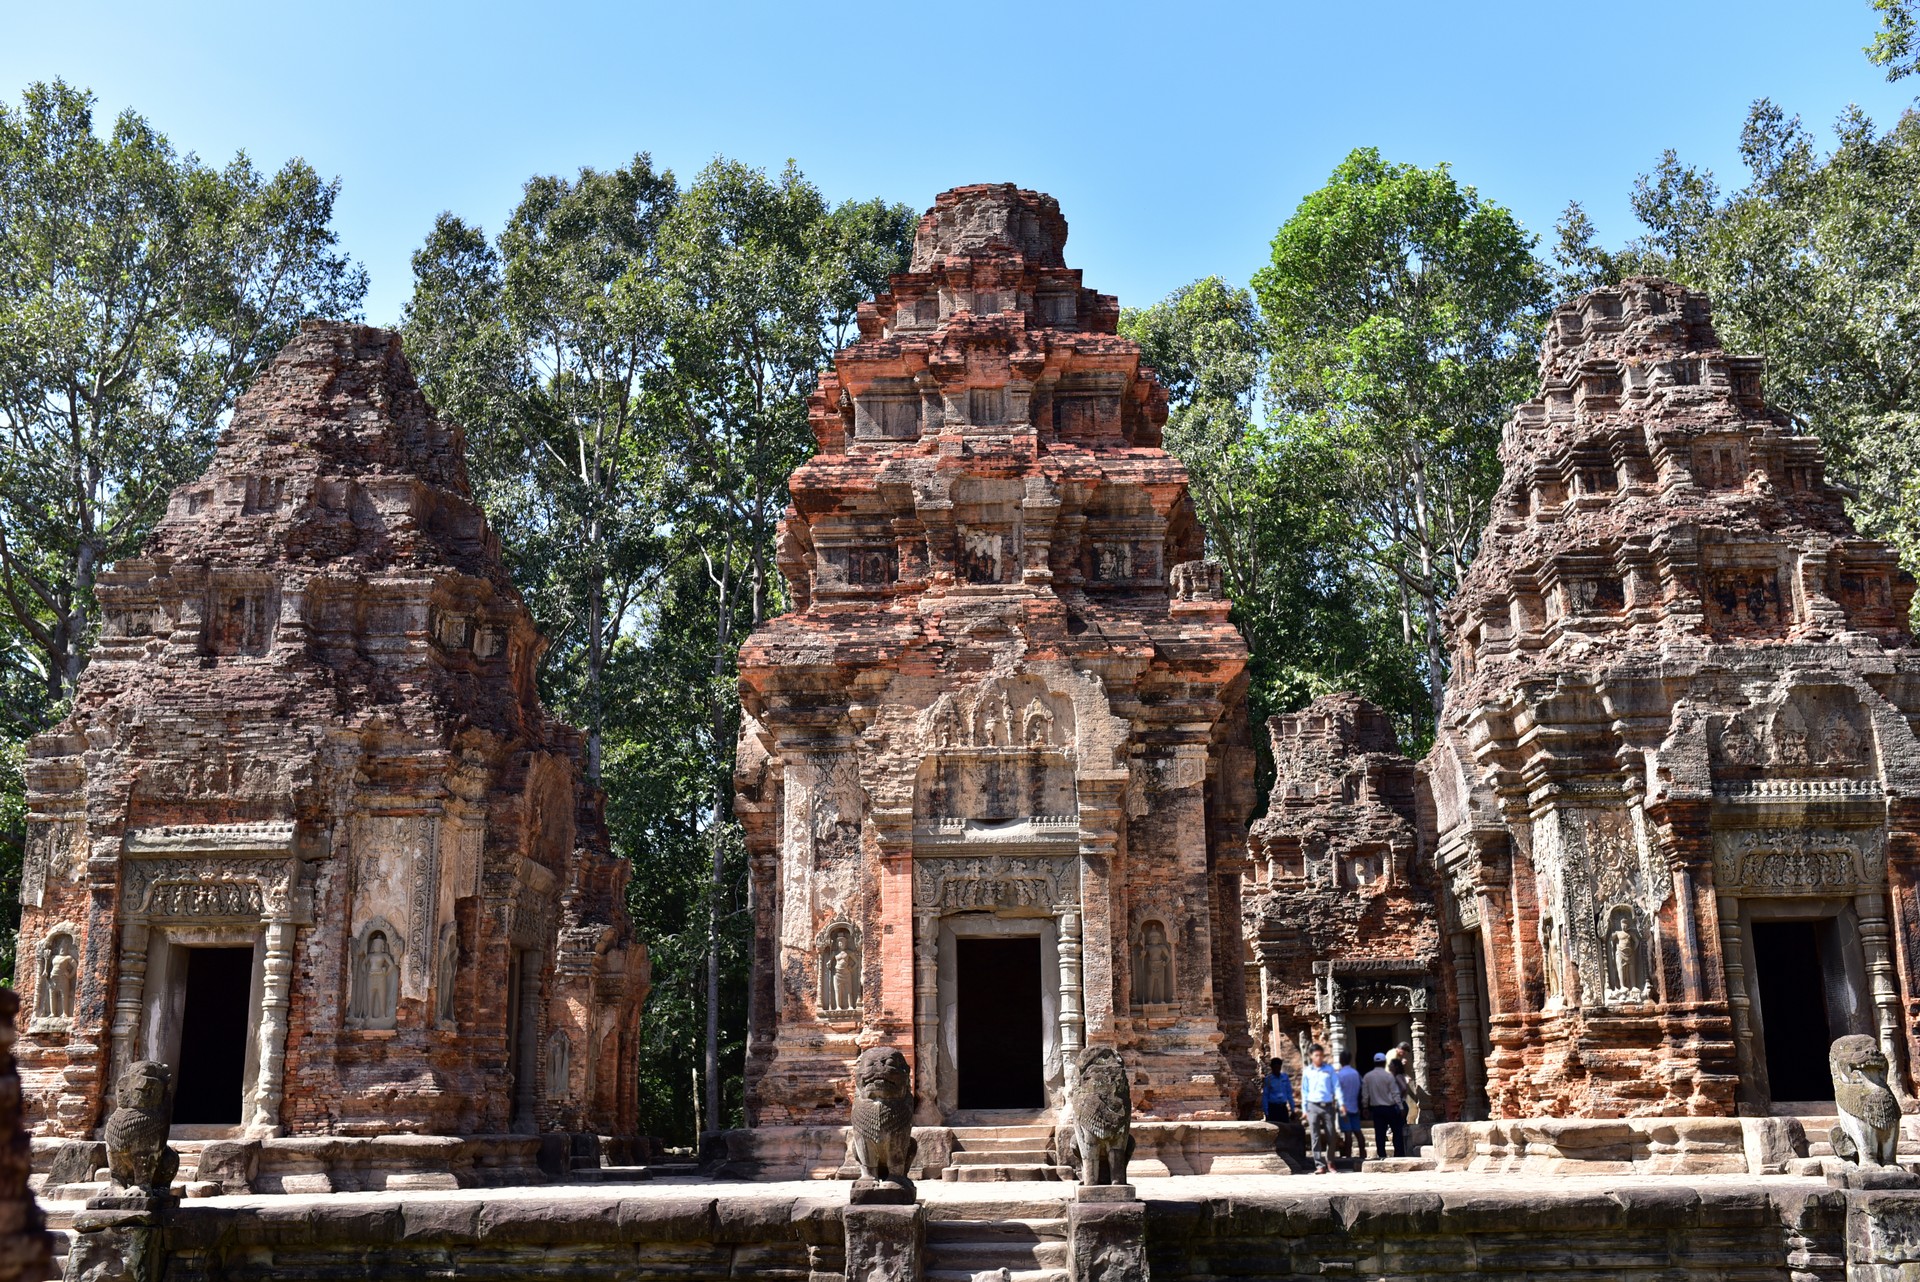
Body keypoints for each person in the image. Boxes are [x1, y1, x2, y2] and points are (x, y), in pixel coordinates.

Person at [1300, 1043, 1340, 1174]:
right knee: (1315, 1136)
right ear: (1311, 1056)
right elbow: (1304, 1091)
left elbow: (1336, 1086)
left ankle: (1330, 1162)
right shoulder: (1307, 1071)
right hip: (1312, 1105)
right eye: (1316, 1055)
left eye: (1321, 1055)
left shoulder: (1329, 1069)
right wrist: (1304, 1109)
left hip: (1327, 1105)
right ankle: (1319, 1164)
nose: (1319, 1058)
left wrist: (1342, 1102)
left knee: (1331, 1134)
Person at [1362, 1052, 1406, 1159]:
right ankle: (1399, 1153)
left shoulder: (1368, 1077)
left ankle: (1381, 1154)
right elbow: (1395, 1093)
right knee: (1396, 1132)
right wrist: (1401, 1107)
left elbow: (1365, 1094)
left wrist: (1365, 1107)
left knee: (1380, 1133)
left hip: (1377, 1109)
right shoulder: (1389, 1076)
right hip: (1390, 1108)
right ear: (1384, 1062)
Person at [1335, 1049, 1364, 1162]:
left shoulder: (1340, 1075)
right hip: (1354, 1105)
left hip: (1343, 1107)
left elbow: (1336, 1091)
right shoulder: (1355, 1073)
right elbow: (1361, 1088)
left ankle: (1348, 1155)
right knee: (1357, 1131)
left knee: (1347, 1132)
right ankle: (1362, 1152)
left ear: (1341, 1060)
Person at [1261, 1057, 1296, 1124]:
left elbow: (1289, 1093)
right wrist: (1266, 1112)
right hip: (1273, 1108)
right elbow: (1265, 1096)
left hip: (1283, 1107)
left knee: (1286, 1129)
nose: (1277, 1069)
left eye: (1278, 1067)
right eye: (1275, 1067)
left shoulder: (1285, 1078)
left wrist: (1292, 1110)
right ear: (1272, 1068)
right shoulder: (1268, 1079)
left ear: (1280, 1067)